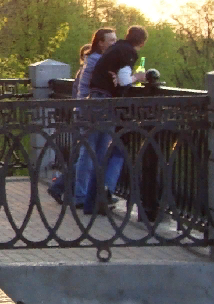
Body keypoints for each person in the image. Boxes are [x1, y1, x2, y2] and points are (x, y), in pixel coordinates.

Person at [82, 25, 148, 213]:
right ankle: (97, 201)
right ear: (141, 42)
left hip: (94, 100)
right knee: (104, 154)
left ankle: (91, 203)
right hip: (103, 103)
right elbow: (125, 80)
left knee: (97, 154)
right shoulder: (127, 52)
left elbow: (116, 77)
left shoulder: (115, 48)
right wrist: (138, 77)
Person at [47, 28, 115, 205]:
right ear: (101, 42)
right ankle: (82, 195)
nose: (115, 44)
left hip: (87, 110)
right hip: (91, 111)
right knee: (89, 155)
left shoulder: (93, 61)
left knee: (90, 155)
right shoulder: (97, 61)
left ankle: (70, 189)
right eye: (112, 41)